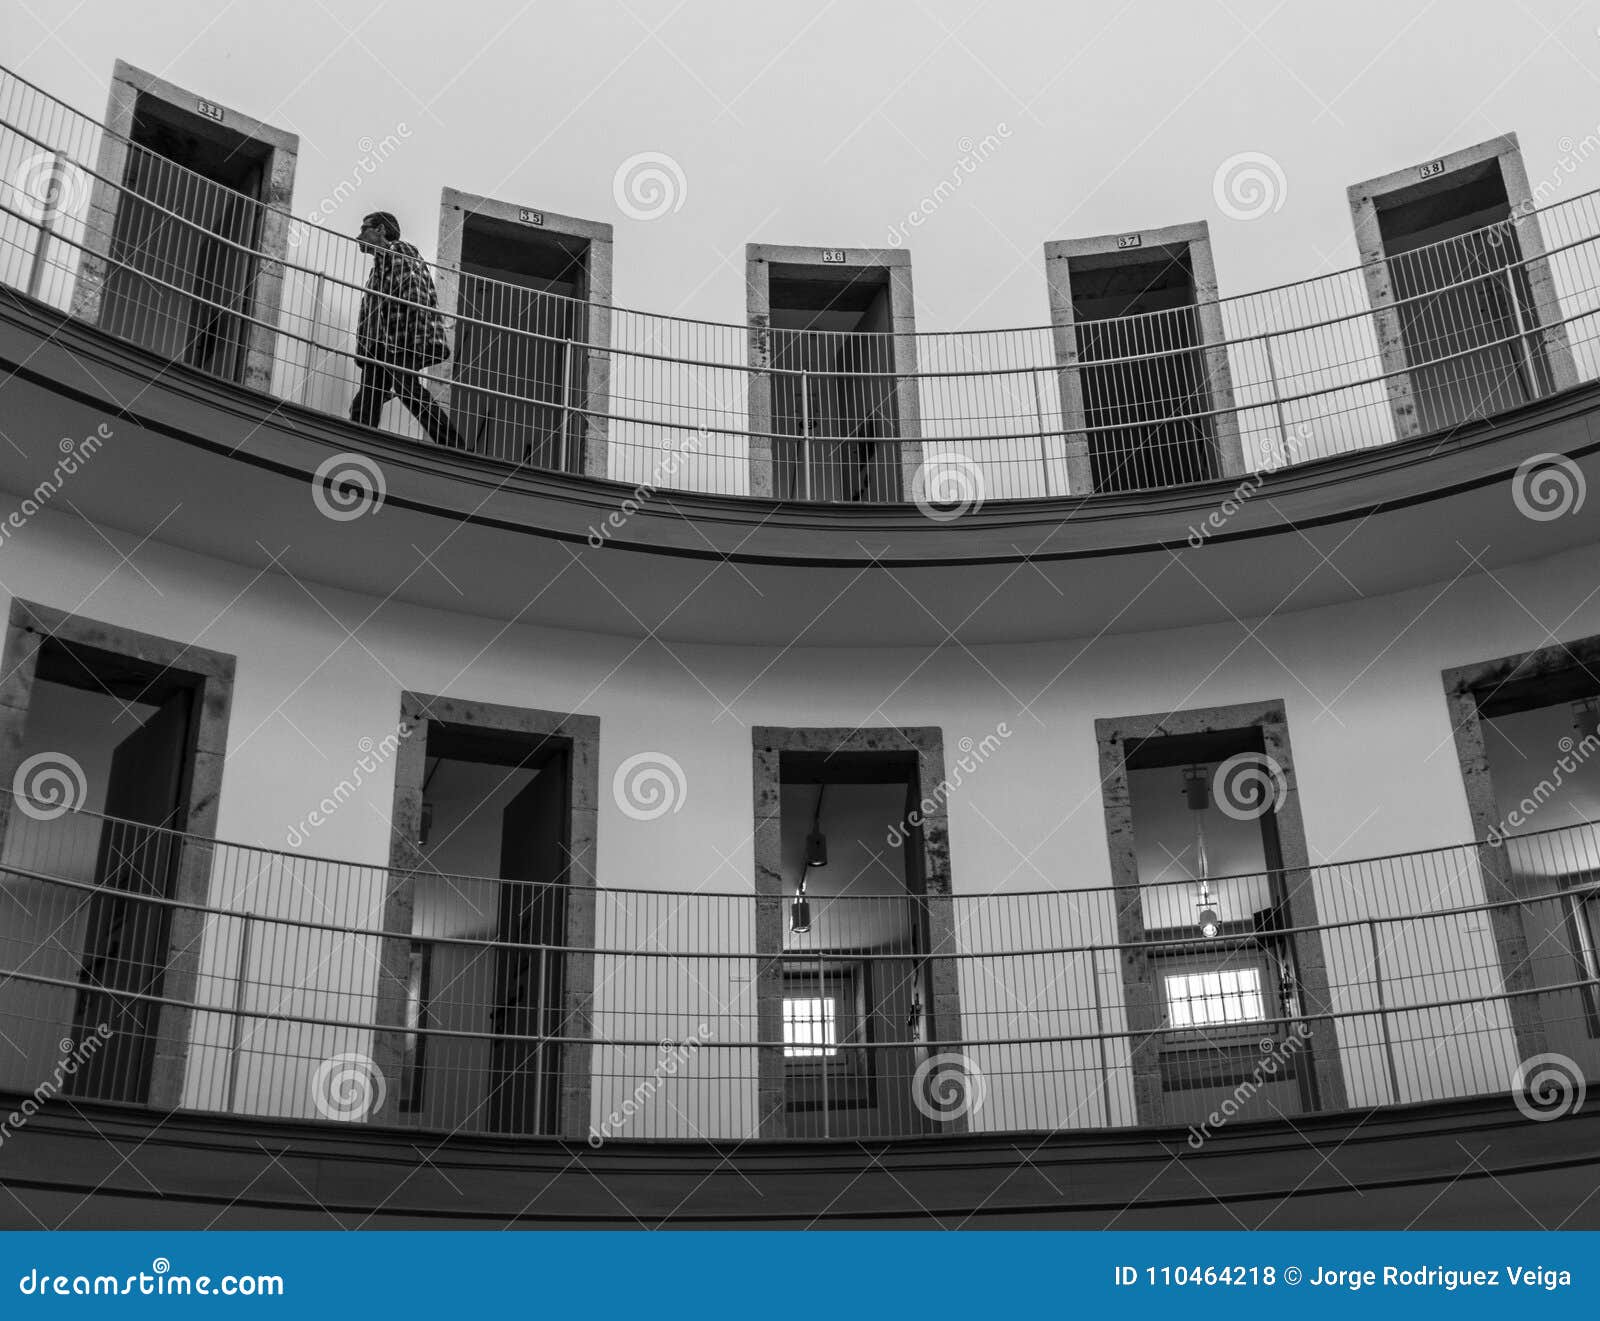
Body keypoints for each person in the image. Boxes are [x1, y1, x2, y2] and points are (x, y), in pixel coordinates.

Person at [349, 211, 465, 449]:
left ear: (381, 229)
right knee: (370, 395)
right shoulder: (379, 267)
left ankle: (453, 445)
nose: (359, 236)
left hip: (401, 340)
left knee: (404, 387)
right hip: (381, 345)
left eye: (364, 229)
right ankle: (357, 440)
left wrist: (412, 342)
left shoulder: (401, 251)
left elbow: (415, 295)